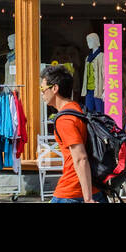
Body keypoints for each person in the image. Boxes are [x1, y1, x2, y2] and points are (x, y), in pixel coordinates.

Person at [40, 63, 101, 203]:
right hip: (92, 187)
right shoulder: (78, 109)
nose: (42, 93)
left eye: (42, 88)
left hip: (72, 191)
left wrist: (88, 198)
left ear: (55, 88)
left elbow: (80, 158)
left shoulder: (65, 119)